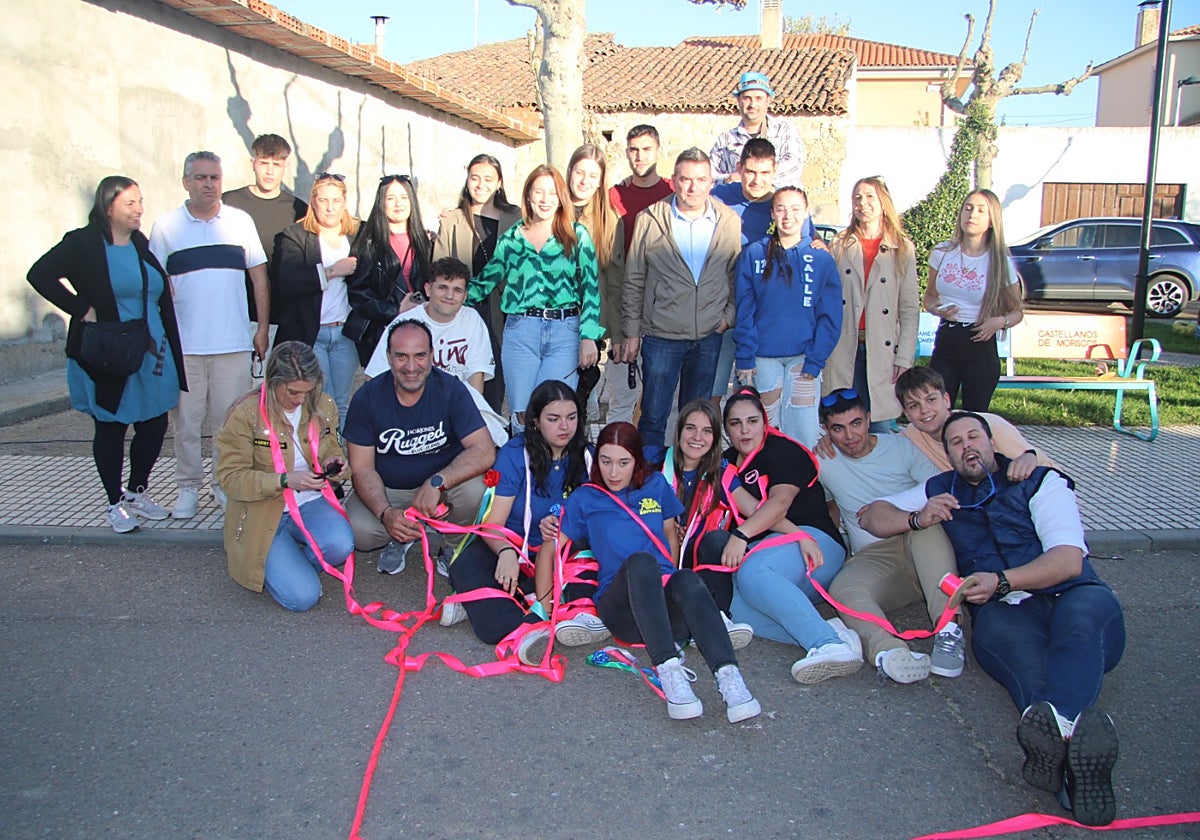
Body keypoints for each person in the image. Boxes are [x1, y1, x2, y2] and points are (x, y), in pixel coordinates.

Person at [859, 411, 1125, 827]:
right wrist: (919, 516)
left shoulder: (1040, 480)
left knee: (1078, 633)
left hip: (1072, 594)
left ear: (991, 441)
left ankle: (1063, 753)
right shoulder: (941, 489)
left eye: (974, 437)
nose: (967, 446)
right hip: (1006, 611)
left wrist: (1003, 580)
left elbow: (1069, 561)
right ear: (947, 455)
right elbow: (870, 516)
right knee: (1026, 666)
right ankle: (1072, 772)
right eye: (956, 443)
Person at [538, 422, 761, 723]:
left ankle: (730, 679)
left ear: (637, 461)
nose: (613, 472)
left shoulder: (655, 485)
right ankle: (669, 671)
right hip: (621, 608)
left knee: (686, 577)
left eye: (623, 462)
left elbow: (670, 532)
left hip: (664, 610)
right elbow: (550, 550)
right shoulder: (584, 498)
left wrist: (670, 574)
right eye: (605, 461)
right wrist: (544, 603)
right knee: (642, 562)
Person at [27, 176, 186, 533]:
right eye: (130, 203)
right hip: (108, 350)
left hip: (150, 348)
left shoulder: (139, 243)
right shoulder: (83, 243)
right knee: (112, 424)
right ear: (107, 205)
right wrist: (80, 308)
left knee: (155, 421)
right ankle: (113, 503)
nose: (139, 210)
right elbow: (40, 274)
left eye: (141, 202)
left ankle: (137, 491)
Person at [696, 389, 860, 684]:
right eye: (735, 423)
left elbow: (779, 504)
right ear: (727, 430)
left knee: (752, 571)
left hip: (813, 542)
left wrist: (741, 535)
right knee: (733, 608)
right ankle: (831, 633)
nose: (745, 430)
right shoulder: (727, 461)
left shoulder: (784, 449)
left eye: (752, 420)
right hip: (769, 553)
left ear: (765, 421)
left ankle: (826, 644)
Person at [149, 151, 269, 519]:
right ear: (185, 181)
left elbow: (259, 276)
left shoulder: (240, 221)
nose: (208, 184)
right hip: (184, 346)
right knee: (185, 422)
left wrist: (262, 328)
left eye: (214, 177)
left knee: (228, 424)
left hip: (233, 343)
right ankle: (187, 487)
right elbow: (157, 286)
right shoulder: (166, 226)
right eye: (200, 177)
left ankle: (224, 485)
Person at [442, 380, 606, 650]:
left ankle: (501, 605)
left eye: (571, 417)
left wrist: (568, 530)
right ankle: (527, 619)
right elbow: (492, 524)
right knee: (466, 566)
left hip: (561, 553)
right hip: (512, 547)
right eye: (553, 419)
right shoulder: (515, 455)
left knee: (596, 572)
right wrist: (506, 552)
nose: (564, 427)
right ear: (534, 421)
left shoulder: (589, 458)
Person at [815, 388, 964, 684]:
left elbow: (940, 491)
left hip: (922, 545)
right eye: (838, 429)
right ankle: (890, 653)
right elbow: (825, 506)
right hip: (876, 558)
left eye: (856, 423)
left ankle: (949, 630)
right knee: (842, 588)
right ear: (826, 430)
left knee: (926, 523)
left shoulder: (900, 448)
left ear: (869, 419)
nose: (849, 436)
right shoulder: (823, 460)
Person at [343, 320, 495, 574]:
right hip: (390, 489)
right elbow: (361, 469)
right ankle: (403, 531)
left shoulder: (451, 389)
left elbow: (484, 450)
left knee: (477, 491)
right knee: (357, 533)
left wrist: (438, 481)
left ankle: (452, 544)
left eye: (420, 355)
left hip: (443, 489)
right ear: (389, 357)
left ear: (432, 356)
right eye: (401, 356)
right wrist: (385, 513)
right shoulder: (367, 398)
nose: (411, 367)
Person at [214, 341, 353, 611]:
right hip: (263, 510)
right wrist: (283, 480)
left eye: (308, 391)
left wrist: (334, 461)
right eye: (292, 392)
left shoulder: (323, 405)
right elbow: (230, 478)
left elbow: (329, 445)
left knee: (342, 543)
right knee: (302, 599)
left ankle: (288, 565)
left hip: (310, 501)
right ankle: (280, 564)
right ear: (273, 380)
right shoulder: (245, 414)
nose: (301, 399)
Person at [620, 148, 740, 449]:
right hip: (662, 336)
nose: (692, 187)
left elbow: (736, 275)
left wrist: (728, 317)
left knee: (697, 421)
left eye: (700, 179)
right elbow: (634, 278)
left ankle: (689, 483)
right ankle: (649, 482)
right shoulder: (650, 219)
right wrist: (632, 331)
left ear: (710, 181)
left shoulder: (727, 220)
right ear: (673, 180)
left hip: (708, 337)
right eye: (685, 179)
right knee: (653, 417)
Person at [469, 164, 602, 430]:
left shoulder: (577, 236)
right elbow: (484, 283)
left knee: (555, 412)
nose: (544, 199)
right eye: (538, 192)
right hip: (521, 333)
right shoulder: (512, 240)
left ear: (561, 198)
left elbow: (591, 288)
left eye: (552, 193)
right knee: (522, 415)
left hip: (565, 333)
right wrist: (441, 299)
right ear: (528, 196)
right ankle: (523, 469)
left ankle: (554, 471)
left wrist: (589, 336)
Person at [733, 187, 842, 448]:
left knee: (804, 431)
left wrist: (816, 359)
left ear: (805, 213)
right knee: (765, 429)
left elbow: (831, 315)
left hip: (803, 359)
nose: (787, 215)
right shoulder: (754, 254)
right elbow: (744, 308)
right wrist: (745, 355)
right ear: (771, 213)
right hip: (763, 358)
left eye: (795, 209)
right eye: (780, 208)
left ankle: (804, 485)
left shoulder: (821, 259)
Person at [651, 399, 754, 649]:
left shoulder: (721, 471)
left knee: (718, 540)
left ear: (716, 437)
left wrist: (799, 535)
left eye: (707, 431)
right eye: (690, 428)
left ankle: (717, 617)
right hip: (660, 557)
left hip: (702, 560)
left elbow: (756, 511)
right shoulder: (654, 464)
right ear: (678, 432)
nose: (697, 437)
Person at [824, 176, 919, 432]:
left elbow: (910, 309)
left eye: (869, 197)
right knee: (843, 419)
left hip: (883, 348)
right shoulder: (840, 245)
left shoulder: (902, 248)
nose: (862, 203)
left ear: (883, 203)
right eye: (857, 197)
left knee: (880, 424)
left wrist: (904, 356)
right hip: (845, 346)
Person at [434, 154, 522, 414]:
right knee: (458, 378)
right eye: (475, 178)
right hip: (461, 311)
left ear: (499, 183)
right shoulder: (452, 220)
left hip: (500, 314)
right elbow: (438, 268)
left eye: (488, 179)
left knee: (494, 381)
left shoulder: (515, 218)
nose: (480, 184)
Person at [925, 189, 1024, 411]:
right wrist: (936, 308)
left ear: (991, 220)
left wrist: (999, 322)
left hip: (980, 342)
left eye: (981, 210)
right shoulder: (942, 253)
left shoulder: (998, 262)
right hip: (947, 339)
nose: (972, 215)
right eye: (968, 208)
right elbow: (929, 297)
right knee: (939, 411)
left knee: (976, 416)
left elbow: (1017, 311)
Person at [272, 173, 360, 425]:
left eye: (336, 200)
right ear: (313, 201)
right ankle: (319, 457)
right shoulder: (296, 235)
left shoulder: (357, 233)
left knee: (341, 400)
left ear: (344, 202)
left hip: (345, 333)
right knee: (321, 398)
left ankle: (339, 459)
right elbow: (288, 281)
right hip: (312, 333)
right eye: (323, 200)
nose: (330, 207)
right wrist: (331, 271)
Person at [605, 125, 673, 424]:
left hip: (664, 303)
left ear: (657, 150)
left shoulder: (673, 192)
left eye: (646, 149)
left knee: (662, 399)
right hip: (624, 298)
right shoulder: (614, 195)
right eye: (634, 150)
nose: (640, 156)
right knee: (623, 394)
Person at [894, 367, 1054, 475]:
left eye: (931, 399)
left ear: (947, 400)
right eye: (914, 405)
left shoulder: (986, 425)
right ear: (906, 414)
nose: (924, 410)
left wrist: (1030, 457)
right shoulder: (909, 438)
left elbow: (1036, 460)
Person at [221, 133, 308, 328]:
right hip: (235, 310)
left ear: (285, 167)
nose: (269, 171)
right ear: (253, 163)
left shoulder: (298, 209)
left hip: (284, 315)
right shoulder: (228, 203)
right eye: (264, 163)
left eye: (276, 165)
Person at [344, 174, 432, 367]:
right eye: (390, 198)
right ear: (381, 203)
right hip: (381, 331)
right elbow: (359, 294)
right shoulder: (368, 244)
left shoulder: (426, 242)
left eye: (403, 197)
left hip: (420, 327)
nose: (398, 204)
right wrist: (396, 310)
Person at [567, 144, 622, 426]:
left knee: (581, 395)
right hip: (553, 316)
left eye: (593, 175)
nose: (584, 181)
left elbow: (614, 281)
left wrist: (614, 331)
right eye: (580, 172)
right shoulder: (552, 208)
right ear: (570, 172)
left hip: (589, 321)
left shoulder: (608, 219)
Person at [710, 71, 804, 188]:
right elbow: (711, 177)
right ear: (738, 100)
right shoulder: (725, 140)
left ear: (768, 100)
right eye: (747, 98)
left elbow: (794, 166)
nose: (752, 104)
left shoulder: (784, 130)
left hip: (778, 203)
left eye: (758, 98)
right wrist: (728, 179)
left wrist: (749, 178)